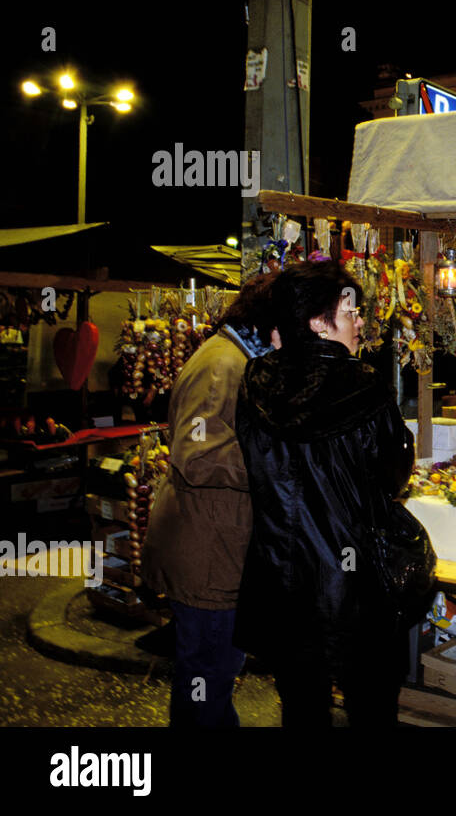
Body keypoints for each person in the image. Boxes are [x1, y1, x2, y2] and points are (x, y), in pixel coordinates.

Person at [235, 261, 417, 727]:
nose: (360, 322)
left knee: (301, 707)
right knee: (372, 705)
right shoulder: (365, 383)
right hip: (354, 582)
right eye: (350, 311)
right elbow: (393, 475)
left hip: (281, 576)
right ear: (318, 322)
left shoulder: (255, 381)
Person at [141, 274, 277, 728]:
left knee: (213, 678)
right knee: (207, 675)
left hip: (215, 543)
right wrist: (272, 464)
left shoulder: (234, 356)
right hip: (208, 551)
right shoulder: (223, 364)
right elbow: (197, 458)